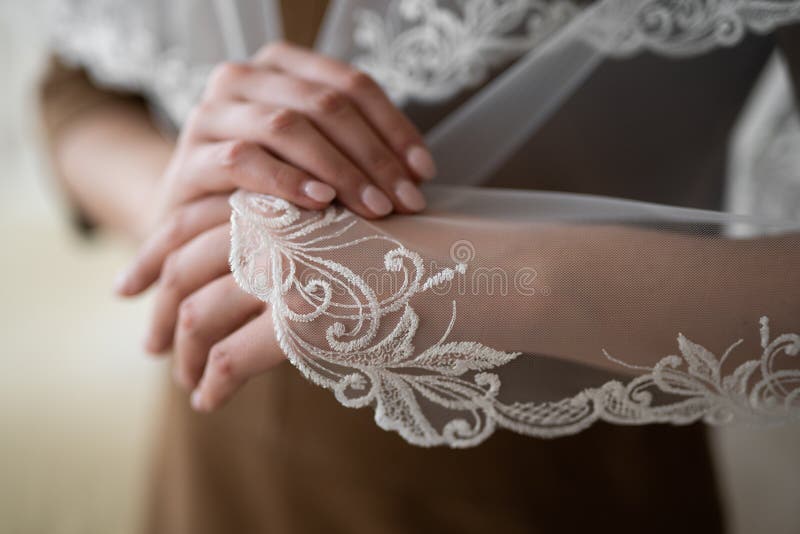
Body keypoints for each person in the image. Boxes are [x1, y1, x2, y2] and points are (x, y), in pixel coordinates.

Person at [39, 1, 800, 532]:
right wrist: (201, 213)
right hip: (221, 471)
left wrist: (459, 277)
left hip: (552, 497)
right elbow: (74, 93)